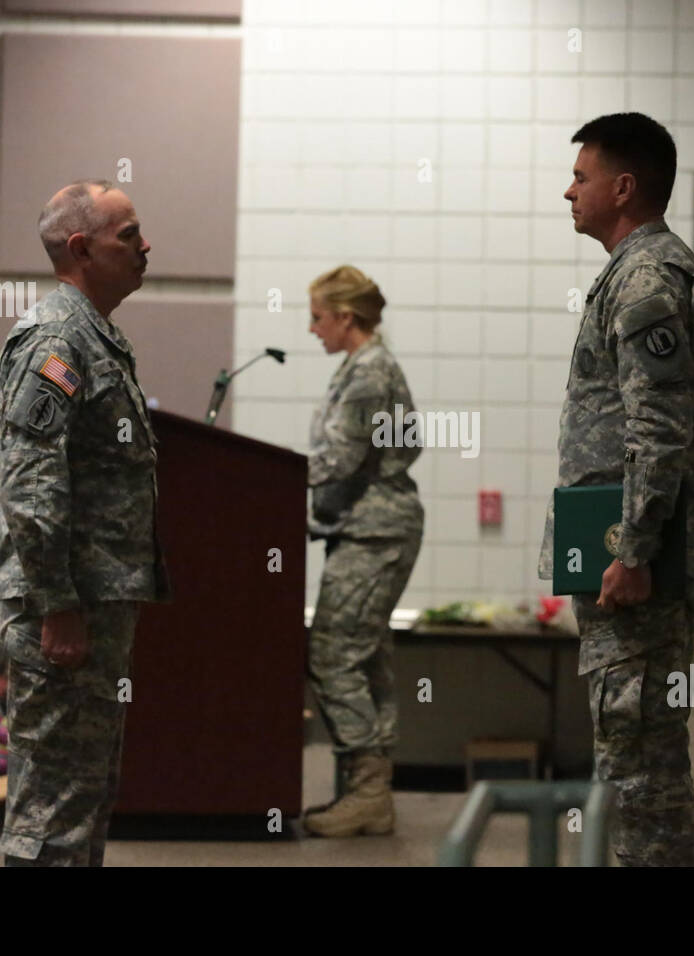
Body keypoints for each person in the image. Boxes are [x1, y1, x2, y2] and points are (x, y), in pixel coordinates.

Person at [537, 113, 694, 866]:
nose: (568, 191)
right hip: (626, 555)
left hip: (639, 565)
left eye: (581, 177)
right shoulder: (634, 271)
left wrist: (637, 548)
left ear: (623, 187)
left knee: (639, 764)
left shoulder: (647, 277)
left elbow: (659, 425)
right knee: (636, 756)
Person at [0, 179, 169, 866]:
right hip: (67, 609)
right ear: (79, 247)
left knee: (84, 799)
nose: (146, 246)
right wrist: (57, 603)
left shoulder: (98, 336)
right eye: (128, 235)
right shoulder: (58, 340)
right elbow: (30, 481)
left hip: (96, 604)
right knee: (53, 810)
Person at [302, 265, 424, 838]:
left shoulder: (370, 372)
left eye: (318, 316)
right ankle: (368, 791)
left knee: (332, 654)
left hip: (375, 532)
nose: (312, 328)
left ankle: (368, 789)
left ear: (346, 317)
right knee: (364, 655)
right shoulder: (365, 366)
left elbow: (338, 462)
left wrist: (277, 489)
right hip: (366, 528)